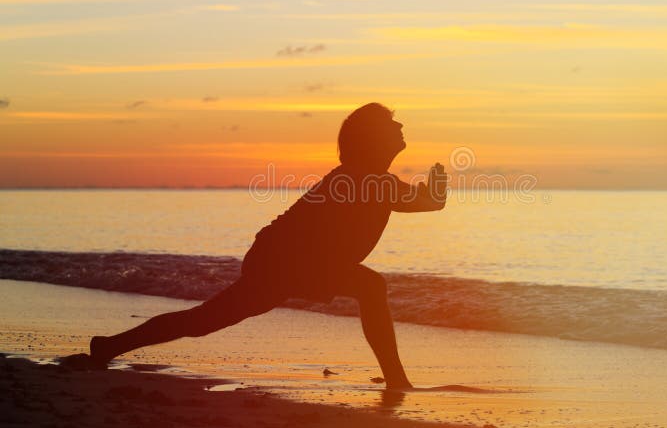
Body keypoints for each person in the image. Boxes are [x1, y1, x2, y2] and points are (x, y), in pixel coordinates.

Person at [86, 103, 447, 389]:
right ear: (373, 138)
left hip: (291, 263)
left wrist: (436, 189)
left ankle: (109, 346)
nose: (400, 129)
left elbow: (427, 202)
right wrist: (433, 193)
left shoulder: (374, 179)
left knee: (204, 320)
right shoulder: (358, 177)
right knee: (371, 286)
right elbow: (421, 200)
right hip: (280, 260)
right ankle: (397, 380)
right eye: (391, 125)